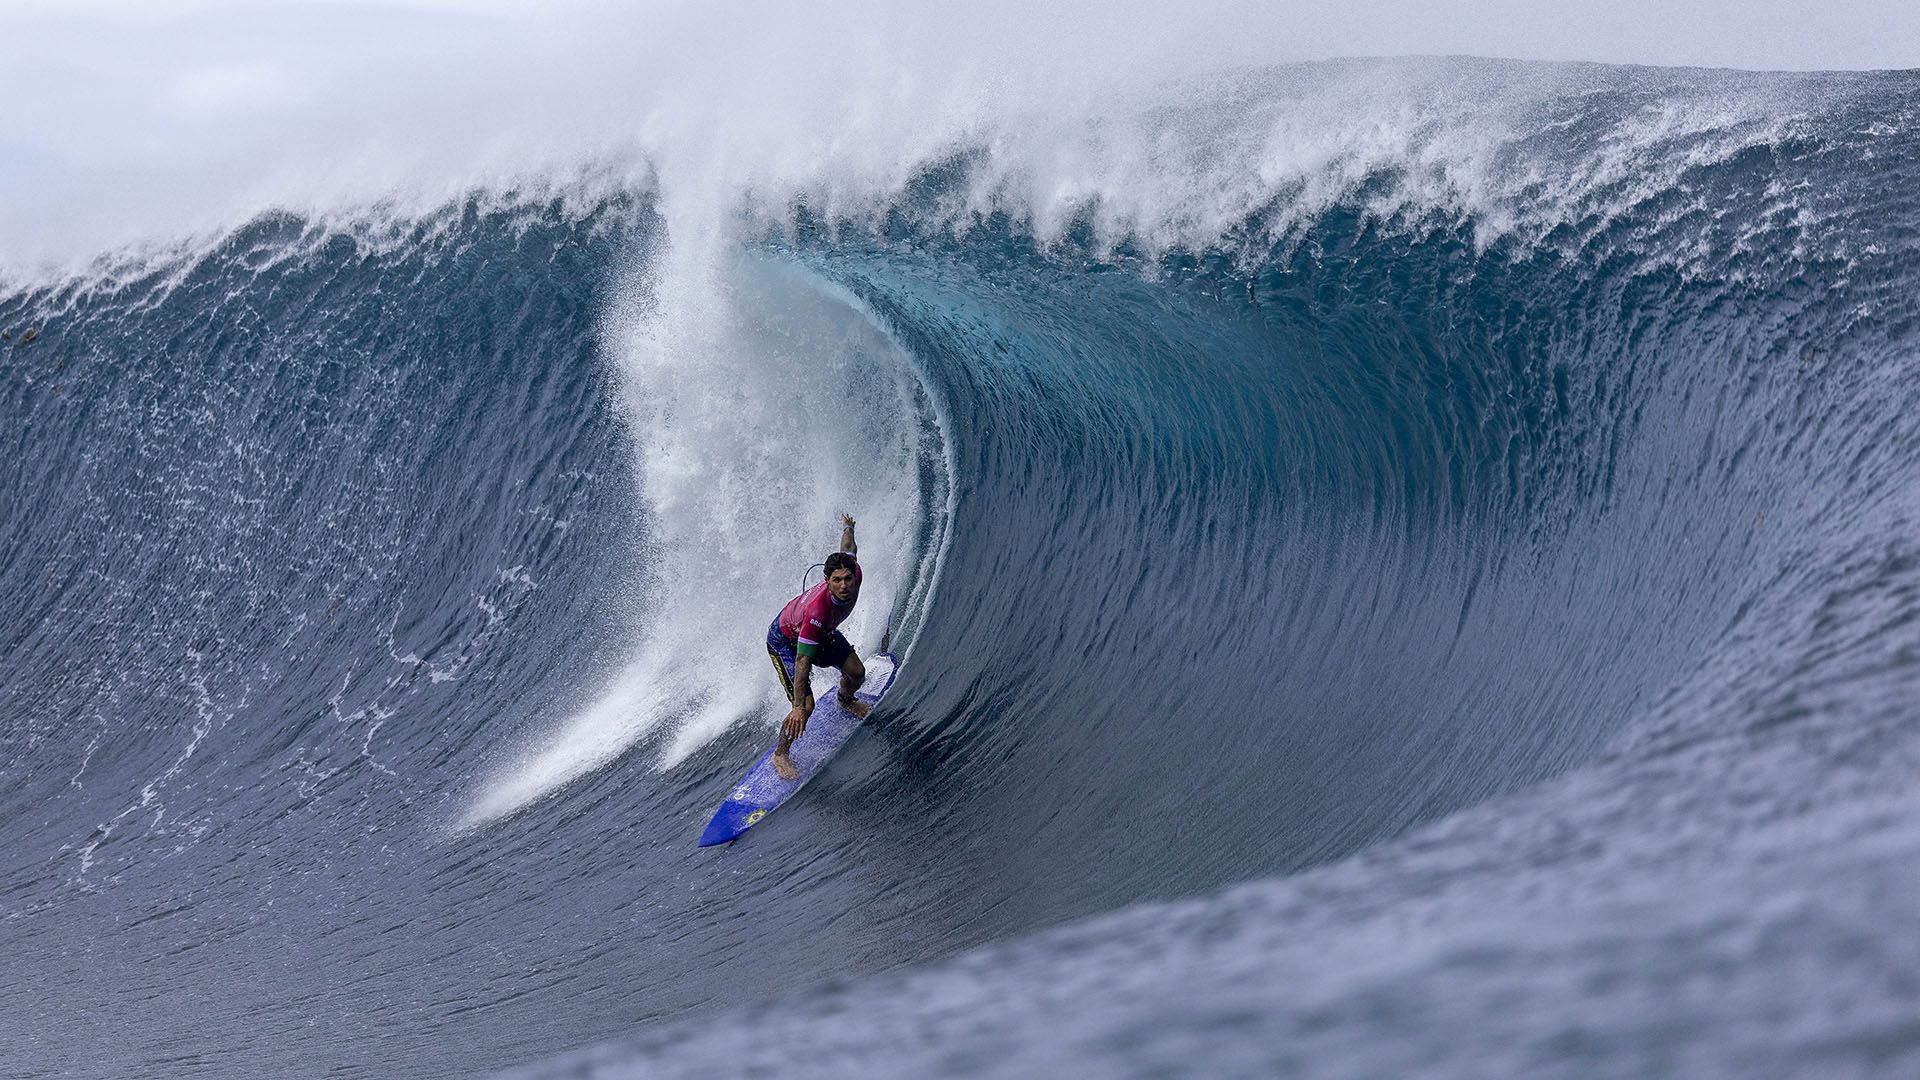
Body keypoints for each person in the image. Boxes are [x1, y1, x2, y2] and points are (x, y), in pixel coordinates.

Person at [767, 513, 869, 780]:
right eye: (837, 580)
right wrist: (798, 705)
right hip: (785, 642)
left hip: (823, 634)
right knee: (806, 707)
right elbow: (802, 662)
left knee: (857, 673)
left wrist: (848, 526)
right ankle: (780, 753)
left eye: (847, 578)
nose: (844, 585)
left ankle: (845, 700)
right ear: (827, 581)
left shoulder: (854, 572)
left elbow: (848, 548)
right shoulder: (817, 613)